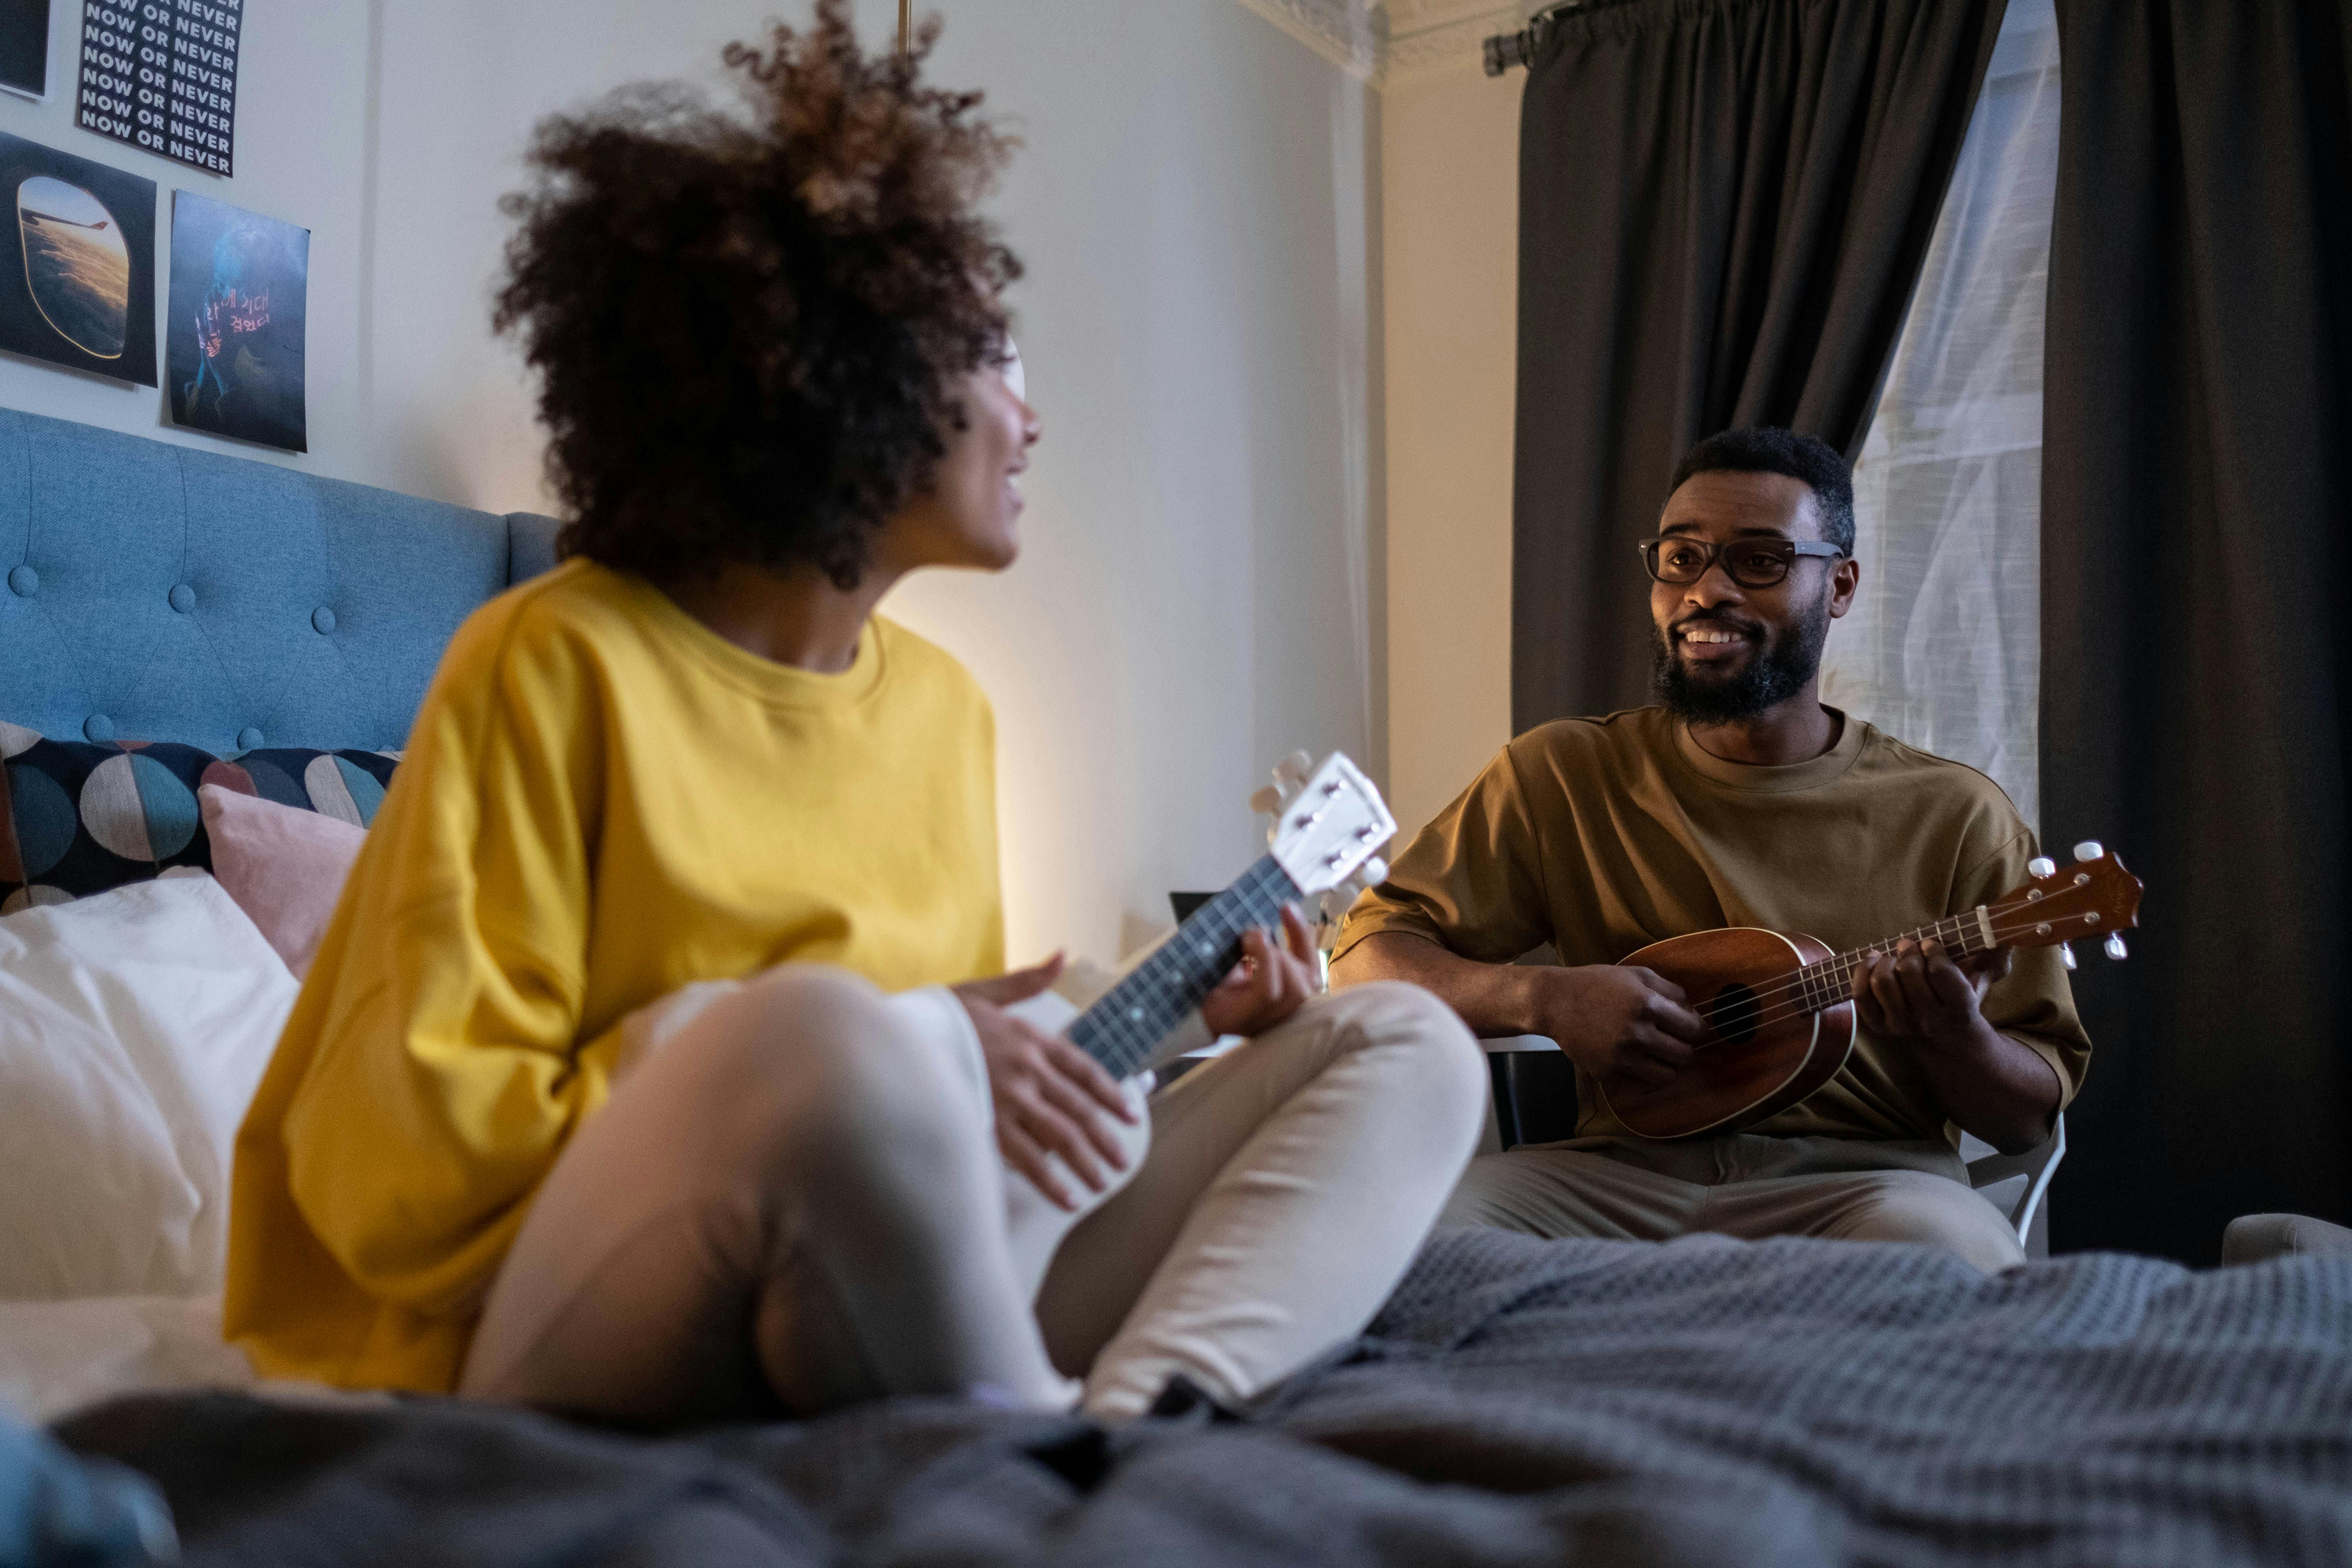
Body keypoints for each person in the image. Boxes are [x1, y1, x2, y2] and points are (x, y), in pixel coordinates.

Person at [222, 4, 1484, 1428]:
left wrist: (1173, 1032)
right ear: (847, 370)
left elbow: (946, 1117)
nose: (1031, 420)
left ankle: (1145, 1421)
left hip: (871, 1282)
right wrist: (869, 1040)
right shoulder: (547, 661)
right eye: (998, 360)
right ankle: (1017, 1464)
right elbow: (415, 1162)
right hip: (558, 1312)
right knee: (818, 1036)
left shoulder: (948, 713)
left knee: (1406, 1050)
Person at [1330, 427, 2089, 1273]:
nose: (1707, 590)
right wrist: (1540, 997)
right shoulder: (1561, 774)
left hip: (1863, 1185)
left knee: (1948, 1268)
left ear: (1837, 585)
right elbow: (1360, 956)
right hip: (1607, 1179)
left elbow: (2025, 1117)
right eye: (1680, 558)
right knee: (1391, 1248)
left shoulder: (1955, 814)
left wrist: (1953, 1035)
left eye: (1757, 561)